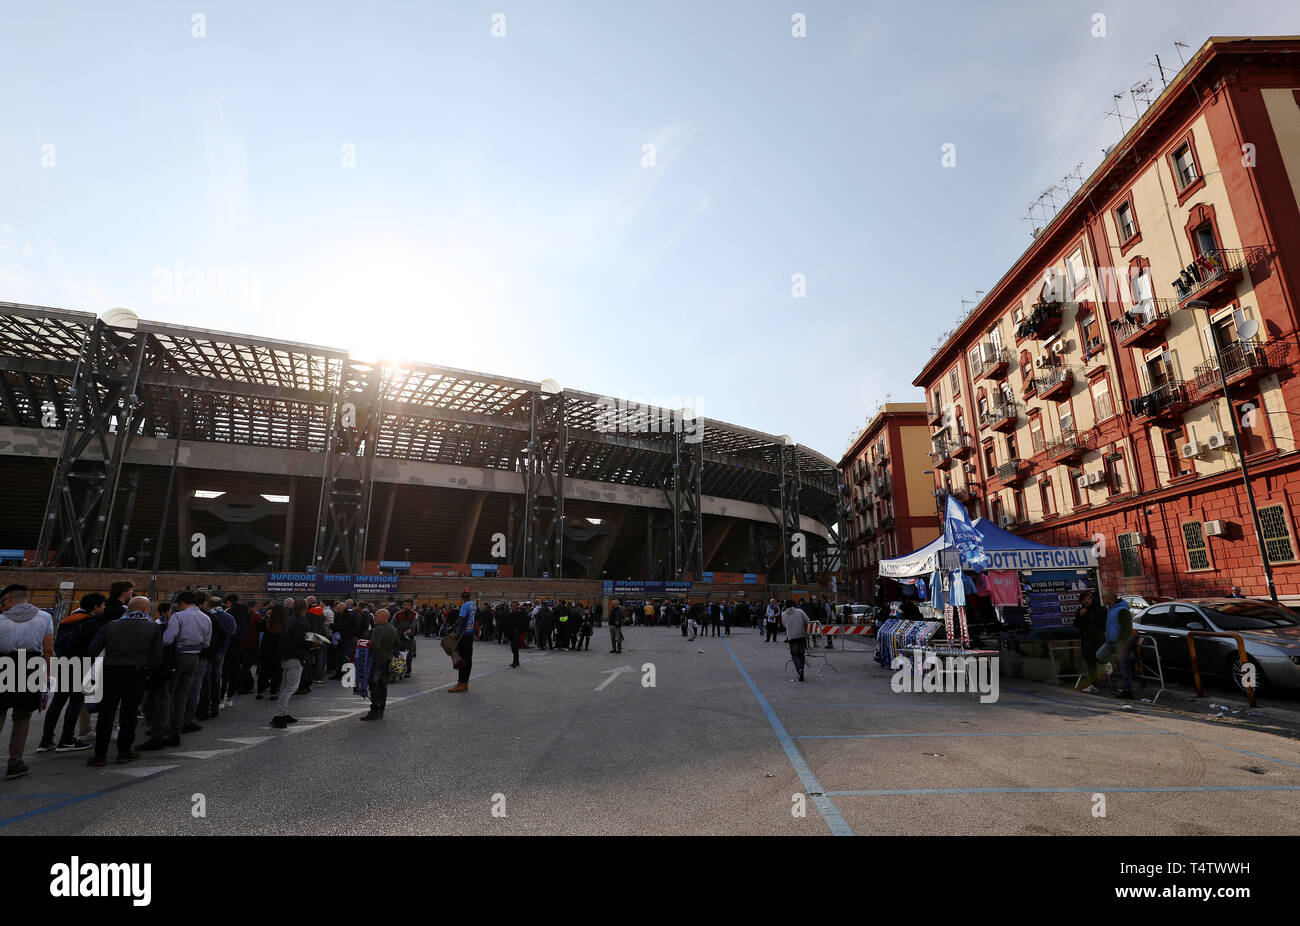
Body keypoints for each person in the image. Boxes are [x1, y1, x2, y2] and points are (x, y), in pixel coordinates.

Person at [85, 596, 161, 766]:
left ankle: (99, 755)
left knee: (106, 714)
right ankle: (125, 751)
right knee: (129, 714)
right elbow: (156, 657)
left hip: (111, 672)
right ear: (144, 609)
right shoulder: (153, 627)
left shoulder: (110, 625)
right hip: (137, 673)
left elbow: (92, 649)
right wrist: (149, 672)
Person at [38, 592, 106, 753]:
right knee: (75, 702)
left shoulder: (68, 620)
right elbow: (93, 648)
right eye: (102, 605)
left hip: (62, 663)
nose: (103, 608)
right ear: (95, 606)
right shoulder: (93, 623)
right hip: (80, 665)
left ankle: (46, 740)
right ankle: (67, 739)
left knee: (57, 702)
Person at [0, 584, 54, 780]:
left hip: (3, 664)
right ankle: (15, 763)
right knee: (22, 716)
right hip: (31, 665)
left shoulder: (1, 620)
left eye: (3, 601)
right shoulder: (45, 618)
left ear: (11, 599)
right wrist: (48, 674)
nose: (2, 605)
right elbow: (48, 649)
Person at [272, 599, 312, 728]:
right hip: (295, 656)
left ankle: (283, 713)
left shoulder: (290, 619)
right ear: (305, 608)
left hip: (286, 655)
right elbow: (299, 640)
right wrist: (313, 643)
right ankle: (279, 715)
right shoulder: (301, 622)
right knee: (291, 688)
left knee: (285, 687)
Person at [361, 609, 399, 721]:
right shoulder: (393, 628)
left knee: (374, 685)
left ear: (384, 617)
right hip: (387, 660)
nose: (374, 617)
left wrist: (367, 645)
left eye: (377, 616)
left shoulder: (378, 629)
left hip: (377, 660)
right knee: (383, 685)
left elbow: (375, 646)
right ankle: (381, 708)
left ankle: (375, 710)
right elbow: (398, 644)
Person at [1097, 594, 1136, 699]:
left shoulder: (1122, 610)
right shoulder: (1111, 609)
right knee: (1099, 656)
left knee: (1124, 665)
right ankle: (1110, 666)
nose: (1102, 599)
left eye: (1104, 597)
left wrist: (1123, 640)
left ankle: (1127, 691)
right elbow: (1113, 624)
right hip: (1111, 640)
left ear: (1111, 598)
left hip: (1120, 641)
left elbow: (1127, 627)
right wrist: (1108, 633)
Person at [1074, 591, 1106, 693]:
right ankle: (1094, 685)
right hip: (1087, 640)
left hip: (1098, 639)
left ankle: (1103, 677)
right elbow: (1077, 624)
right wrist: (1081, 616)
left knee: (1101, 660)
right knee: (1091, 663)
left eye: (1088, 599)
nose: (1086, 601)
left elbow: (1104, 622)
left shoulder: (1100, 609)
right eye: (1084, 600)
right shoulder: (1081, 611)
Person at [448, 590, 476, 693]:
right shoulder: (473, 604)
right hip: (470, 633)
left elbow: (461, 618)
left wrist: (452, 626)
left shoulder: (464, 606)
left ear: (462, 597)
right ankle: (465, 683)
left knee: (461, 659)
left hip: (463, 635)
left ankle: (461, 683)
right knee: (468, 659)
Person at [782, 599, 810, 682]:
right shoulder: (800, 611)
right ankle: (801, 671)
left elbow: (784, 624)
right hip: (801, 635)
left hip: (791, 636)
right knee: (801, 655)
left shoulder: (783, 614)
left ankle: (799, 670)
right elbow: (807, 620)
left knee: (794, 655)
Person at [393, 600, 417, 679]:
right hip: (398, 637)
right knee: (397, 654)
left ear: (411, 606)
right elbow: (392, 623)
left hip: (409, 638)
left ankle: (407, 671)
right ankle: (398, 669)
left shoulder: (415, 614)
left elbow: (414, 623)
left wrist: (410, 629)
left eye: (408, 605)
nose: (406, 606)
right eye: (405, 605)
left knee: (409, 655)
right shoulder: (398, 614)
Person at [507, 601, 527, 667]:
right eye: (512, 606)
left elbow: (524, 623)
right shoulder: (510, 614)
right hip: (512, 633)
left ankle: (515, 662)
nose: (513, 607)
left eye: (515, 606)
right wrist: (506, 634)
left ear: (517, 606)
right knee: (513, 648)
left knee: (515, 648)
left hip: (518, 633)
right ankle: (516, 661)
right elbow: (508, 624)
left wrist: (521, 631)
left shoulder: (520, 614)